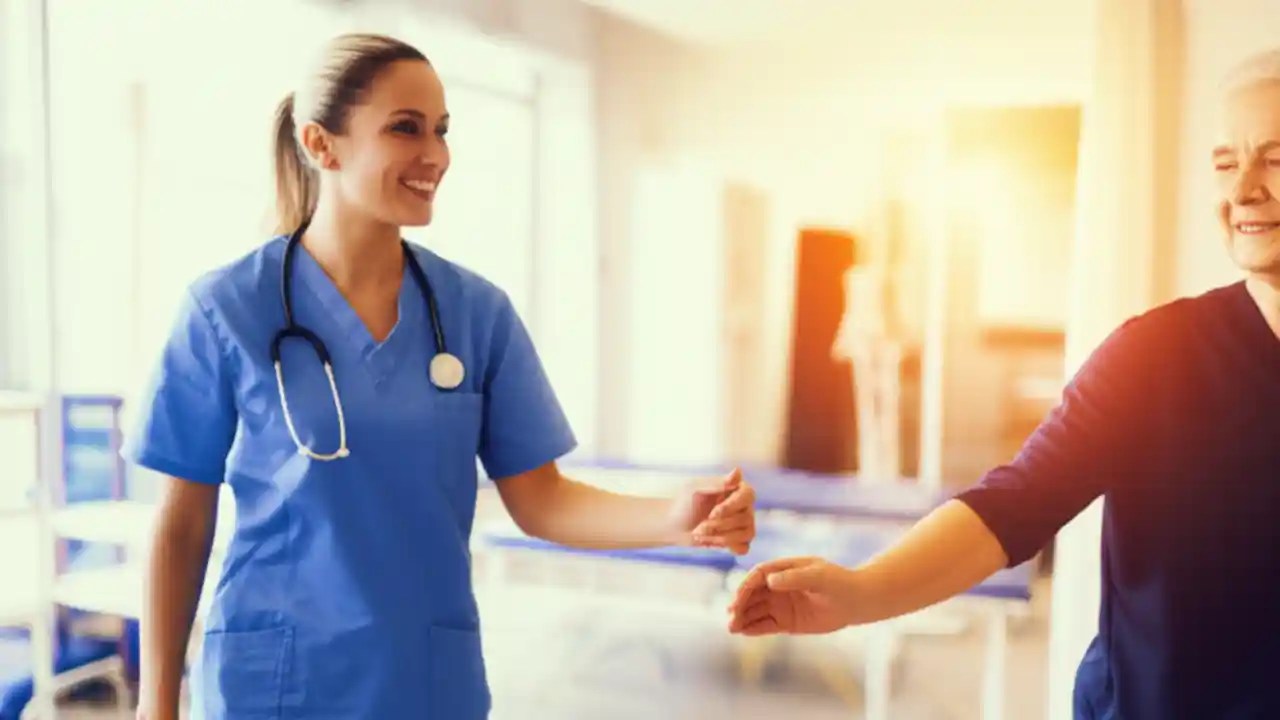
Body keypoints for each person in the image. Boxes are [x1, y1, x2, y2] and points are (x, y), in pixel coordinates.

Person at [128, 33, 757, 720]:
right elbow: (183, 524)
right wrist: (155, 705)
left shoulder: (474, 314)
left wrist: (674, 517)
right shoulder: (227, 309)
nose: (436, 155)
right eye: (406, 129)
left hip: (423, 682)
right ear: (321, 144)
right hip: (276, 683)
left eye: (441, 131)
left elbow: (541, 498)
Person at [728, 47, 1280, 720]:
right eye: (1226, 162)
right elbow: (1013, 504)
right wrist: (861, 592)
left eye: (1274, 158)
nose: (1244, 188)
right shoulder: (1157, 354)